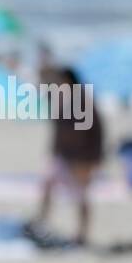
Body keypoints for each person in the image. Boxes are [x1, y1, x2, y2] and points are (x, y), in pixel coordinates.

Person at [36, 66, 104, 245]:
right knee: (48, 186)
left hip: (80, 158)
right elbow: (60, 131)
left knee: (80, 196)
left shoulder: (82, 101)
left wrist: (92, 160)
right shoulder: (63, 98)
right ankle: (41, 224)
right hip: (65, 156)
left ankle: (82, 234)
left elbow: (95, 133)